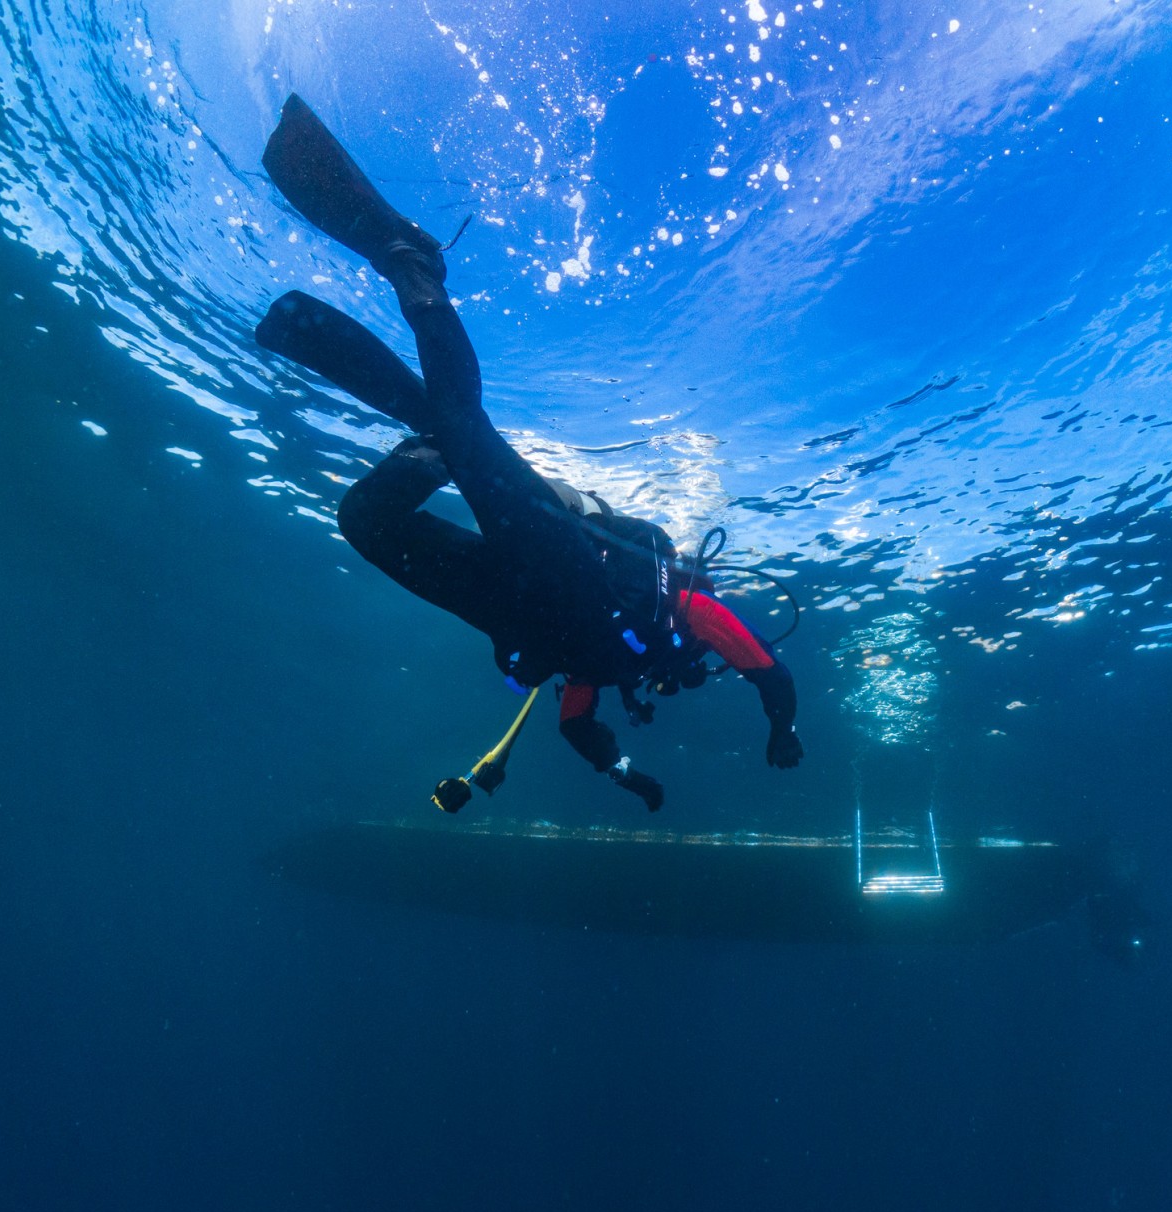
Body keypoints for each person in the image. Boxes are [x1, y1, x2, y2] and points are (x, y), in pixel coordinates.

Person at [255, 94, 802, 811]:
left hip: (507, 606)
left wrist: (626, 777)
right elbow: (771, 673)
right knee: (458, 421)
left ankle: (437, 443)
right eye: (693, 675)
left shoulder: (604, 671)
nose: (682, 682)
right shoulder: (687, 616)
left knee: (364, 519)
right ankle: (411, 266)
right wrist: (781, 731)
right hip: (556, 556)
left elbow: (576, 726)